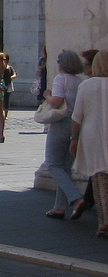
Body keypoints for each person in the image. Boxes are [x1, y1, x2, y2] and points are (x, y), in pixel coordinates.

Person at [43, 50, 86, 221]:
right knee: (65, 167)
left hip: (62, 123)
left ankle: (76, 199)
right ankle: (59, 208)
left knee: (53, 164)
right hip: (77, 123)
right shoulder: (79, 81)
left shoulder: (61, 79)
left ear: (62, 63)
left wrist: (47, 95)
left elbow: (57, 101)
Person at [70, 50, 108, 239]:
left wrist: (74, 139)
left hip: (93, 136)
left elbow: (77, 117)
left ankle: (103, 222)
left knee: (99, 179)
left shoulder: (86, 86)